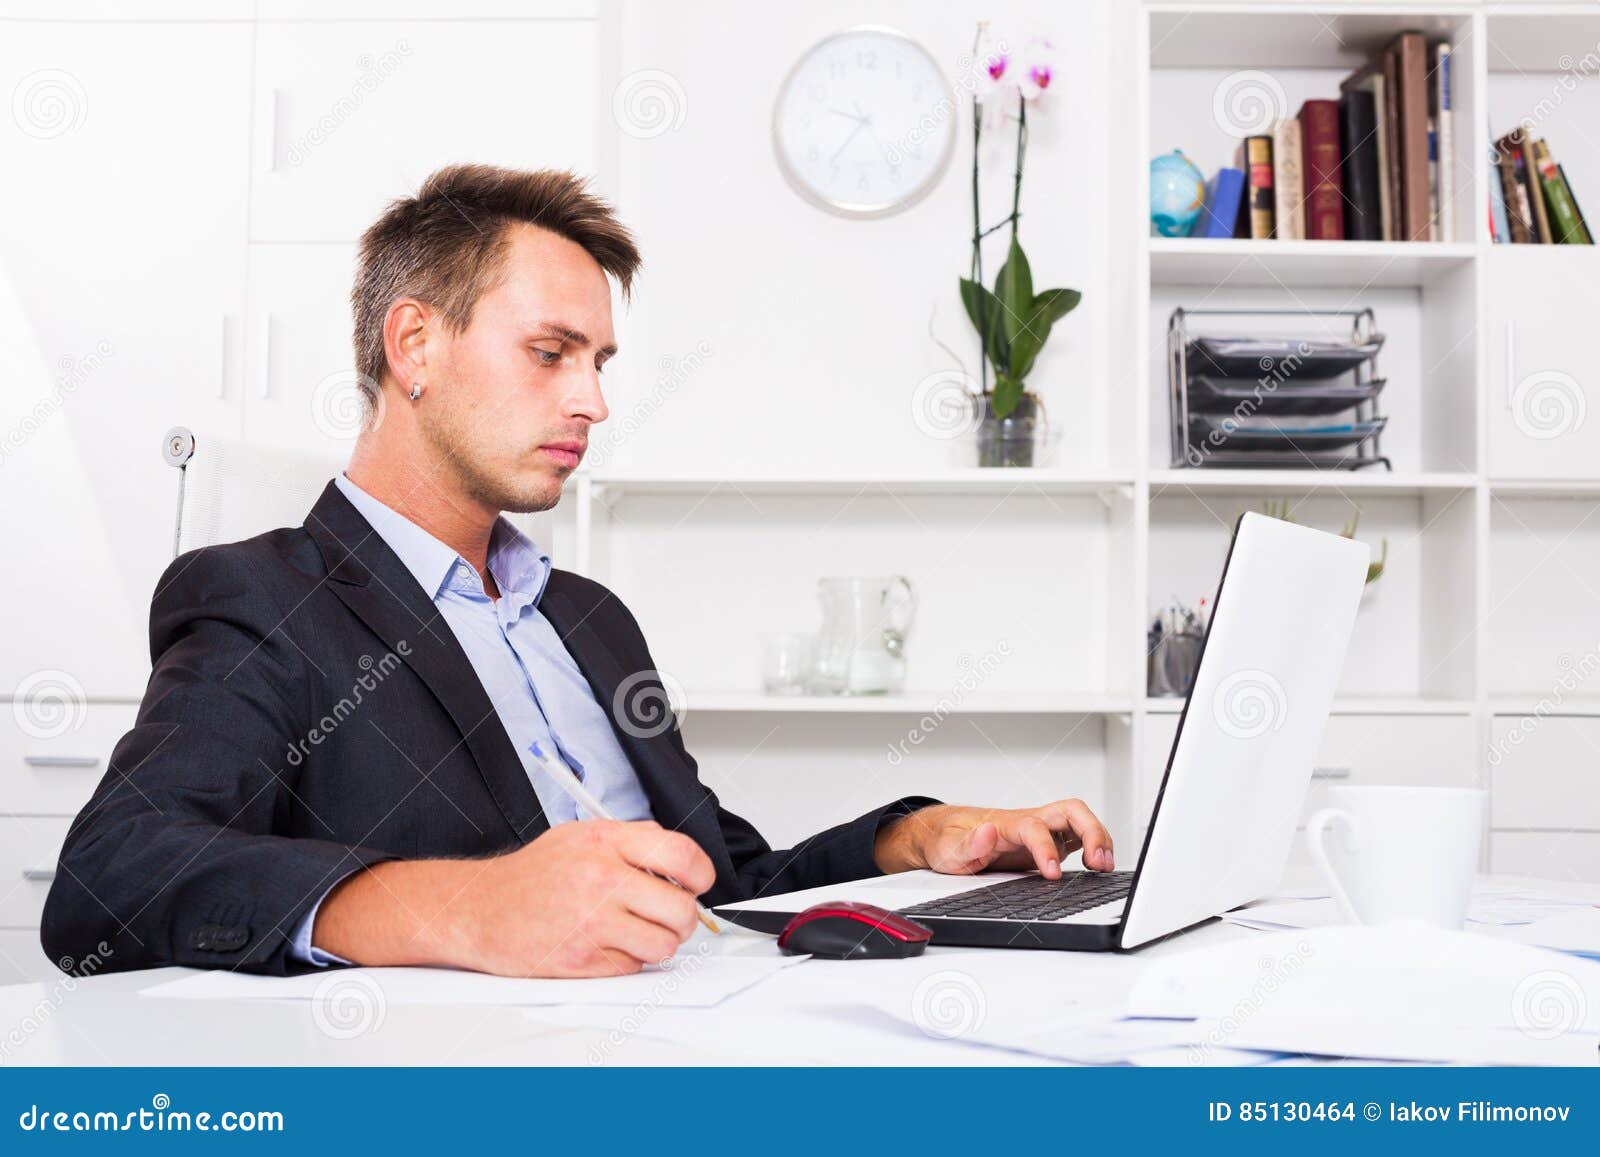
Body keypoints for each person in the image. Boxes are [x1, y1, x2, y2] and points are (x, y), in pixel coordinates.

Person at [41, 165, 1114, 978]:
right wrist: (468, 910)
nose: (593, 401)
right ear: (412, 345)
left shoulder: (589, 617)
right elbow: (112, 874)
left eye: (599, 364)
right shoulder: (267, 598)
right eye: (550, 352)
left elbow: (724, 884)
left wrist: (910, 839)